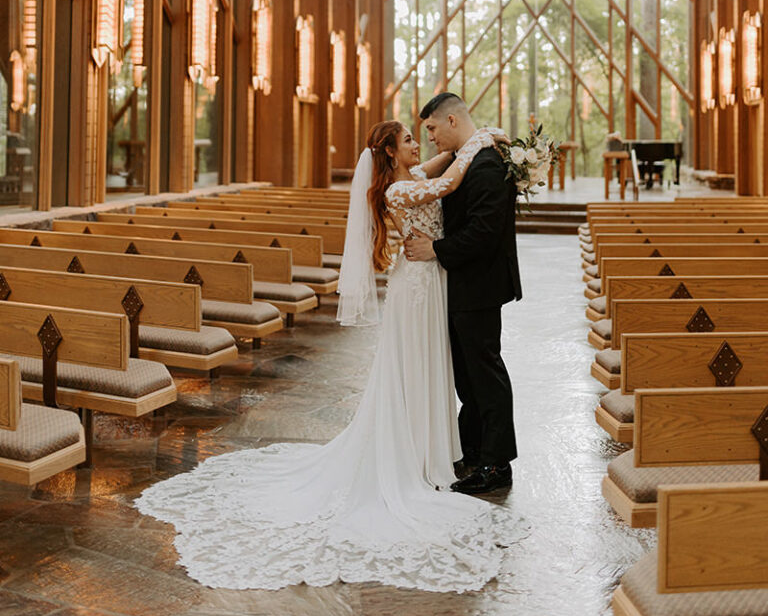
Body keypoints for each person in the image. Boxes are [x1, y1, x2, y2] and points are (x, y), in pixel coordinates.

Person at [135, 120, 519, 592]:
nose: (421, 145)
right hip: (417, 287)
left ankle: (431, 450)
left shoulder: (409, 175)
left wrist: (480, 136)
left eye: (423, 137)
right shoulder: (400, 192)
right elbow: (449, 180)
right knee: (412, 368)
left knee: (431, 367)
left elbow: (442, 165)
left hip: (432, 281)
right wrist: (479, 141)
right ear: (391, 153)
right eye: (410, 141)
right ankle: (416, 455)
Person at [404, 92, 521, 495]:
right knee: (468, 377)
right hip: (462, 283)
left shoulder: (486, 164)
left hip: (480, 285)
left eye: (433, 128)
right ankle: (472, 448)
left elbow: (484, 234)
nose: (431, 137)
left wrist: (433, 249)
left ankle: (496, 464)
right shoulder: (468, 158)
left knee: (485, 374)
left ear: (452, 121)